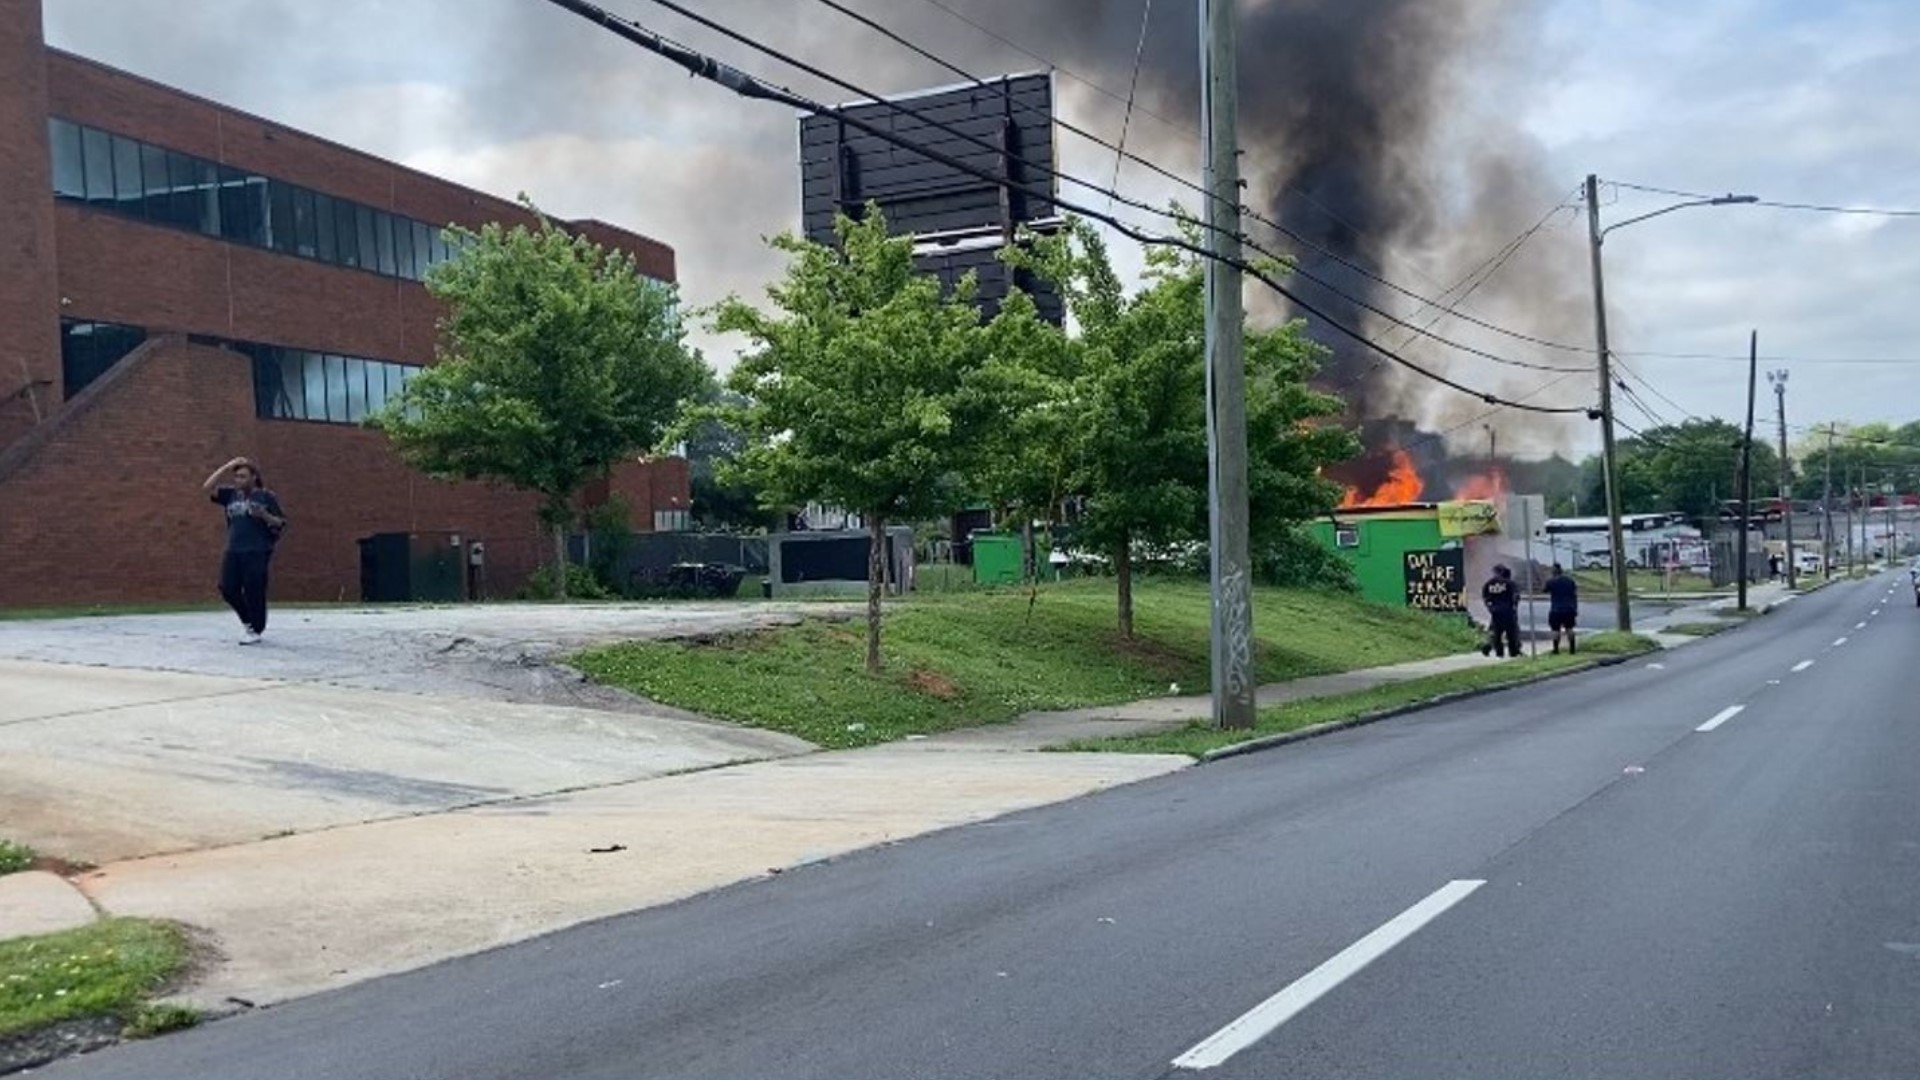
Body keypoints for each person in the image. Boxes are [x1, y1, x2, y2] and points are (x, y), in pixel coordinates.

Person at [201, 456, 287, 645]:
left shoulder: (266, 497)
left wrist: (264, 515)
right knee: (227, 588)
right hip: (233, 549)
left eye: (242, 476)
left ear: (253, 477)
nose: (238, 480)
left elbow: (281, 522)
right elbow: (207, 488)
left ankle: (255, 629)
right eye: (236, 476)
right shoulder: (231, 495)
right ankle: (248, 622)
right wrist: (227, 466)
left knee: (253, 591)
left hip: (257, 550)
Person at [1479, 564, 1522, 659]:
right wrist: (1514, 607)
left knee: (1497, 633)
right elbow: (1516, 597)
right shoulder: (1509, 583)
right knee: (1511, 633)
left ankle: (1499, 653)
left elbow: (1485, 598)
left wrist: (1490, 609)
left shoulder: (1489, 584)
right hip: (1508, 611)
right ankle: (1513, 652)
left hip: (1495, 612)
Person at [1544, 563, 1579, 654]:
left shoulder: (1551, 581)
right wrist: (1575, 608)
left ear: (1553, 572)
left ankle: (1556, 649)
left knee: (1555, 630)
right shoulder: (1570, 581)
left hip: (1556, 609)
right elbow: (1574, 594)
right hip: (1569, 608)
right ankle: (1572, 649)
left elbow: (1545, 590)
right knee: (1569, 628)